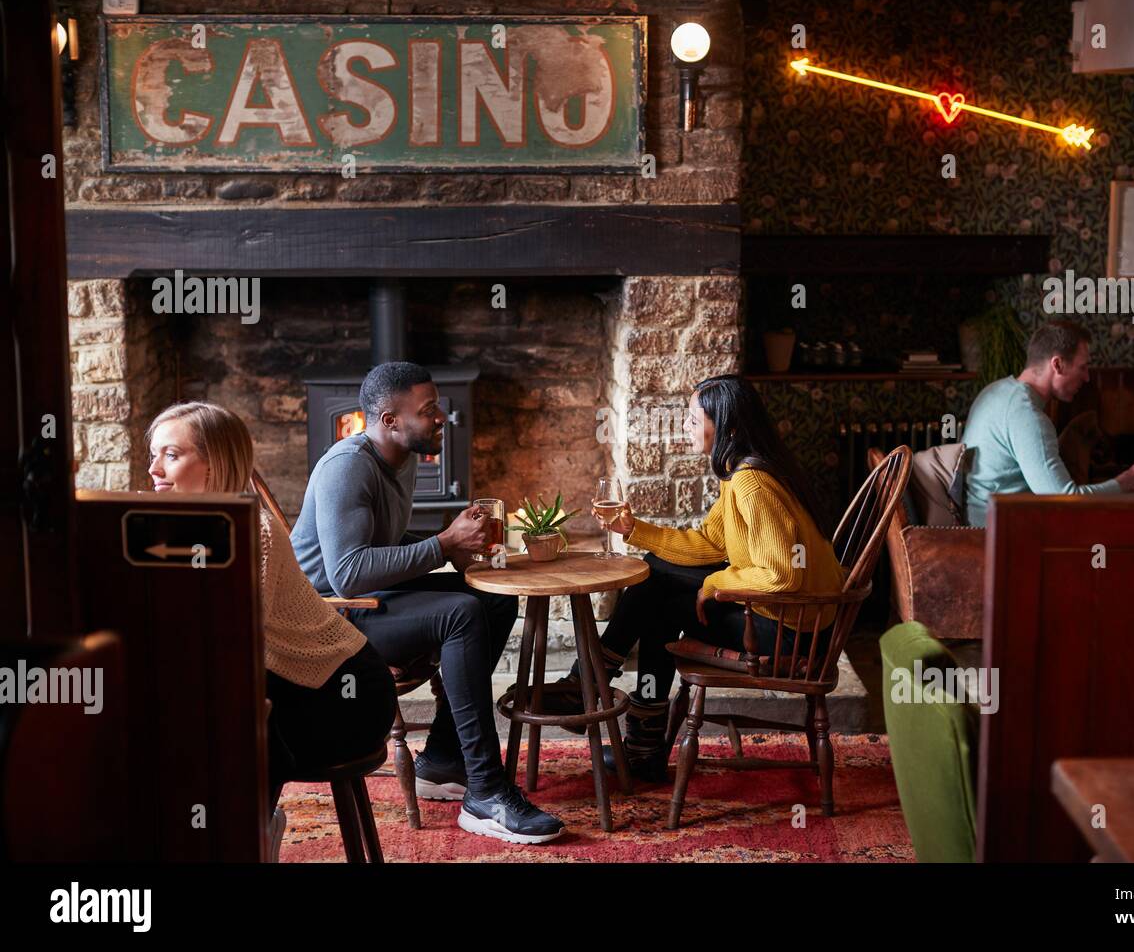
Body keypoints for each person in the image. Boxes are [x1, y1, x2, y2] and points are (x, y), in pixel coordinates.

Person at [290, 362, 562, 844]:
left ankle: (440, 759)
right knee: (461, 614)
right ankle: (485, 792)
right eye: (429, 410)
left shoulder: (403, 456)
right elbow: (348, 572)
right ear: (389, 419)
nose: (442, 418)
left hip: (367, 599)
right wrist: (440, 543)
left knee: (493, 600)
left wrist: (452, 548)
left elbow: (384, 542)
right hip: (331, 618)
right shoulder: (348, 466)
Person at [544, 374, 845, 782]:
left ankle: (602, 699)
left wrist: (713, 585)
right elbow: (708, 542)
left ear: (730, 427)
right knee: (654, 573)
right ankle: (606, 701)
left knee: (658, 606)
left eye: (691, 418)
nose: (684, 426)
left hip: (793, 629)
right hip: (788, 618)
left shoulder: (751, 483)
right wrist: (634, 528)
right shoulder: (743, 473)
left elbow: (781, 574)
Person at [146, 401, 397, 862]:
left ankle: (247, 837)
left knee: (235, 726)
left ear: (215, 462)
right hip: (281, 683)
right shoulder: (173, 531)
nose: (154, 468)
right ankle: (235, 833)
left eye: (171, 455)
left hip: (346, 692)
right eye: (154, 455)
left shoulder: (254, 530)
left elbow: (232, 641)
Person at [963, 319, 1134, 527]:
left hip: (984, 527)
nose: (1087, 378)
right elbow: (1064, 501)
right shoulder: (1027, 415)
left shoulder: (996, 391)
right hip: (997, 537)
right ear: (1057, 364)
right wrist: (1133, 479)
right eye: (1083, 367)